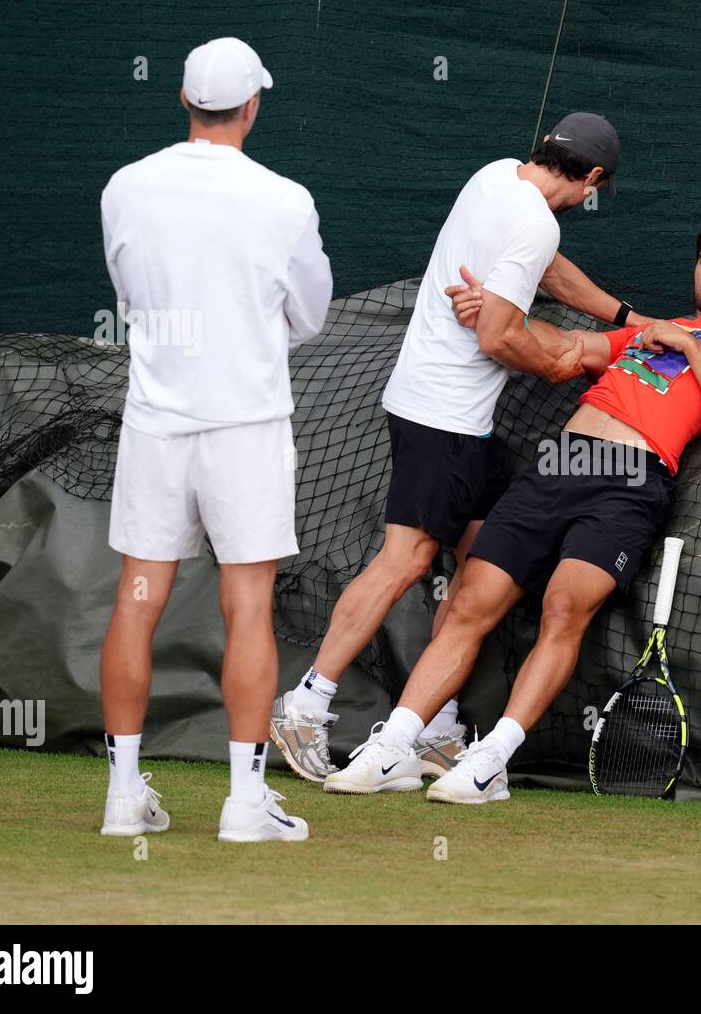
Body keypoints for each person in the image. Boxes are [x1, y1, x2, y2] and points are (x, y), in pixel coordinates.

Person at [323, 215, 701, 803]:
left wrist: (693, 346)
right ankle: (394, 748)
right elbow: (569, 347)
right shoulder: (655, 329)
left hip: (631, 480)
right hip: (561, 463)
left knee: (564, 607)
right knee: (470, 600)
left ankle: (490, 761)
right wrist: (495, 316)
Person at [270, 114, 655, 787]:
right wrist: (559, 361)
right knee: (406, 559)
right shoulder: (538, 221)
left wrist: (621, 318)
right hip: (441, 416)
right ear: (591, 178)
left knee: (477, 562)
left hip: (454, 418)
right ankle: (307, 703)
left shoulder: (495, 177)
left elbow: (549, 271)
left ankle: (438, 727)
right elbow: (499, 338)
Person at [99, 38, 333, 842]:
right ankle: (243, 803)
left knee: (137, 600)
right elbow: (310, 317)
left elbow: (130, 296)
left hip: (157, 424)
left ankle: (122, 794)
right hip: (245, 427)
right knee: (249, 605)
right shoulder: (286, 200)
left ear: (184, 99)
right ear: (254, 105)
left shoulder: (124, 189)